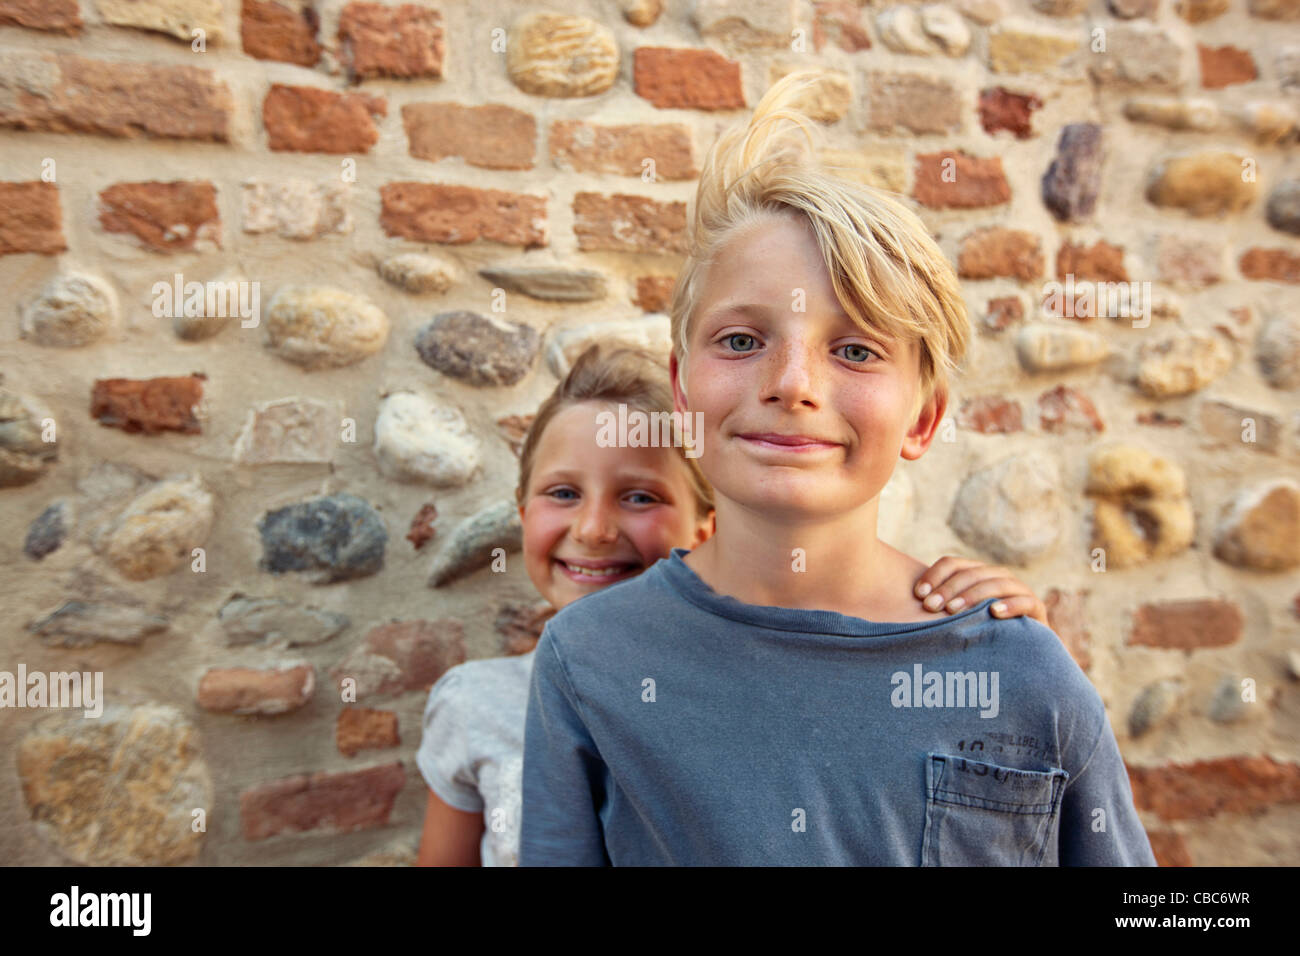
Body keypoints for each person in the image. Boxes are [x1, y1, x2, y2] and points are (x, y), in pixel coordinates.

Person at [519, 72, 1157, 866]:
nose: (792, 383)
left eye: (854, 350)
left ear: (922, 418)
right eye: (742, 341)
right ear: (682, 391)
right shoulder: (589, 661)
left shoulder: (1023, 672)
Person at [416, 344, 1051, 866]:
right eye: (561, 493)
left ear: (705, 528)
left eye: (639, 498)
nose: (594, 530)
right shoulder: (473, 703)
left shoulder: (743, 696)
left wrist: (1010, 657)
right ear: (522, 516)